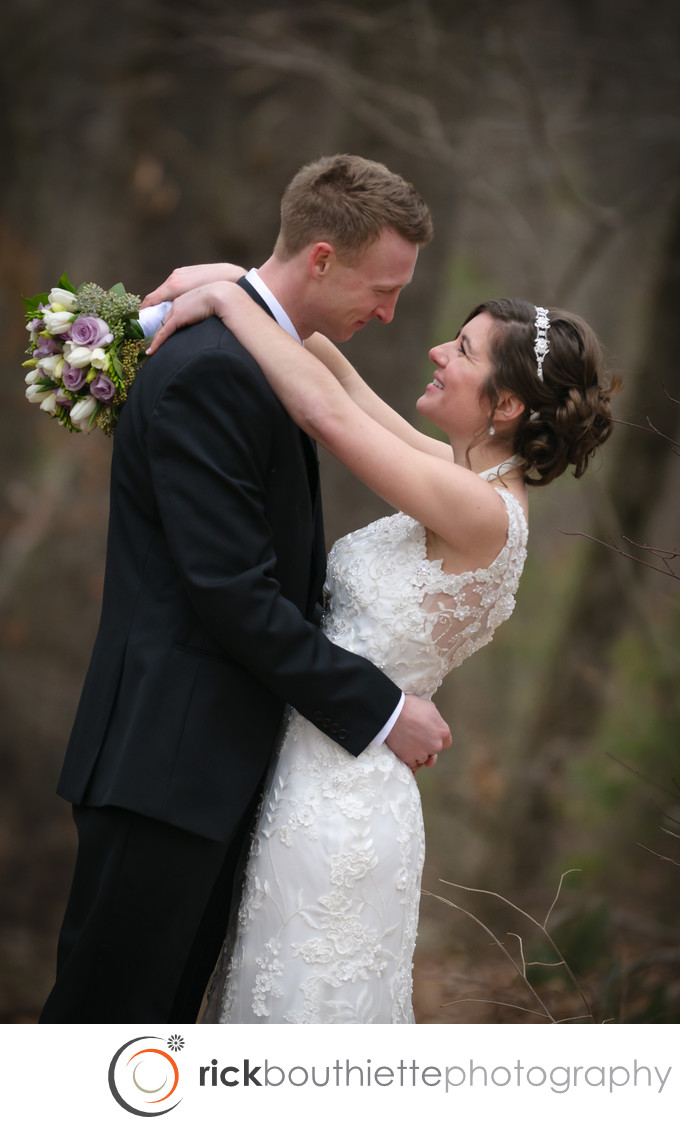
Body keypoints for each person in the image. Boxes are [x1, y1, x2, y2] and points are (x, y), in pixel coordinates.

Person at [39, 154, 452, 1025]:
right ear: (321, 260)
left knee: (148, 1041)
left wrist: (231, 285)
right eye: (381, 289)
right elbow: (232, 592)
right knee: (102, 1029)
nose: (388, 312)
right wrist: (380, 707)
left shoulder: (262, 353)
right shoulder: (214, 371)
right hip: (164, 764)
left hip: (203, 769)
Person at [142, 279, 620, 1022]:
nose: (436, 351)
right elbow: (349, 387)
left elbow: (328, 416)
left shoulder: (480, 509)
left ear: (506, 406)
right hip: (316, 768)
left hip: (339, 803)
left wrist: (229, 307)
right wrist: (250, 282)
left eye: (461, 350)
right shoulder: (467, 474)